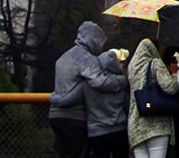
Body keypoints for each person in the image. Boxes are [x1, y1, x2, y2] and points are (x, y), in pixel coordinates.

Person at [51, 21, 129, 158]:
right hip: (75, 118)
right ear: (94, 40)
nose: (101, 47)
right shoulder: (86, 58)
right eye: (100, 42)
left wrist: (53, 99)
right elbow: (101, 82)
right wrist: (124, 81)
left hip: (55, 115)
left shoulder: (62, 58)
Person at [127, 37, 179, 158]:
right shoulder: (156, 63)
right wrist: (174, 74)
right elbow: (170, 88)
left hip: (136, 126)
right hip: (157, 124)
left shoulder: (131, 67)